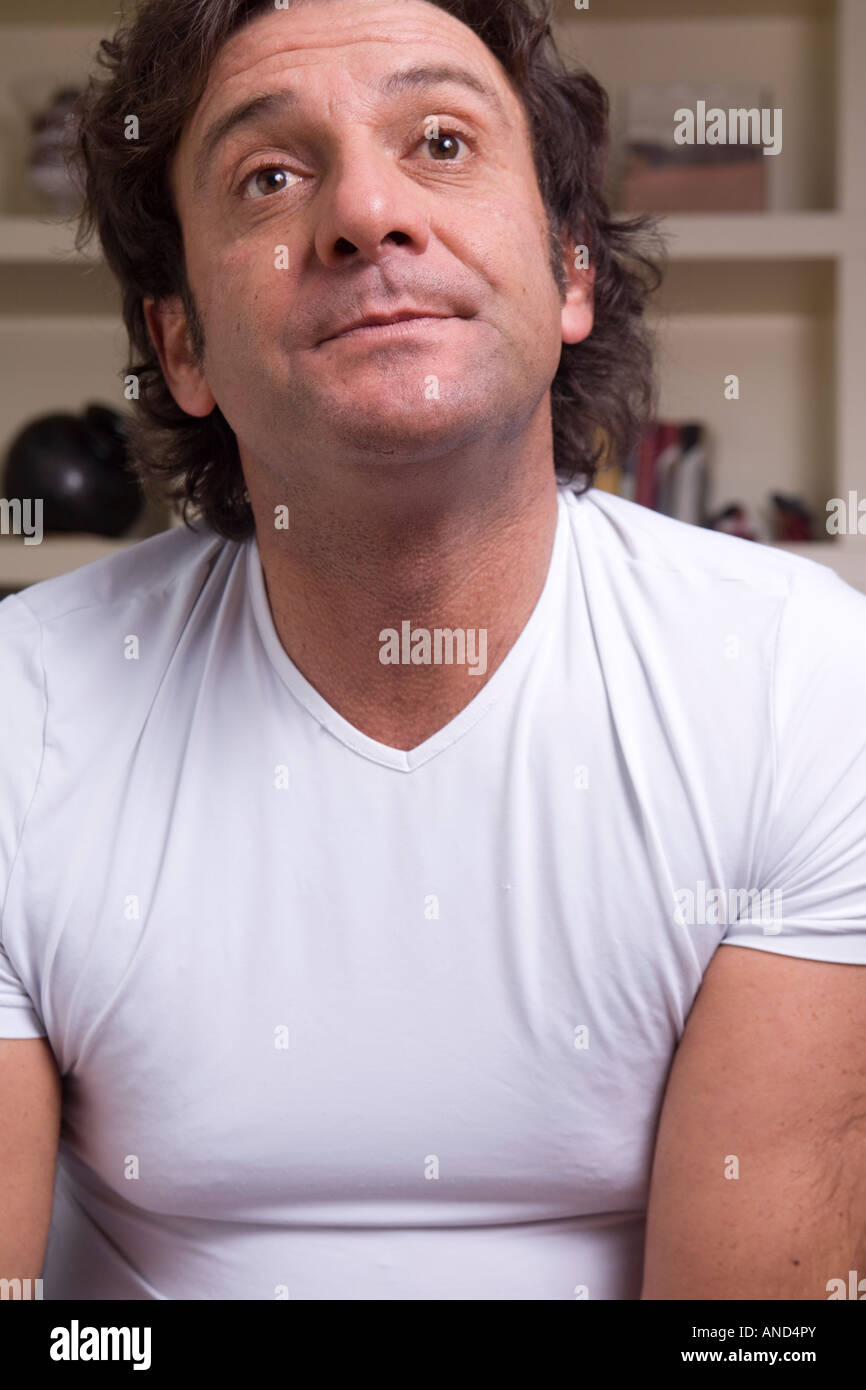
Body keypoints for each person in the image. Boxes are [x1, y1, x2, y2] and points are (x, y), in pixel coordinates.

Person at [1, 0, 864, 1302]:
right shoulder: (26, 704)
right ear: (179, 343)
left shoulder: (803, 681)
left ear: (570, 272)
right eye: (270, 175)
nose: (365, 213)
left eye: (442, 143)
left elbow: (746, 1330)